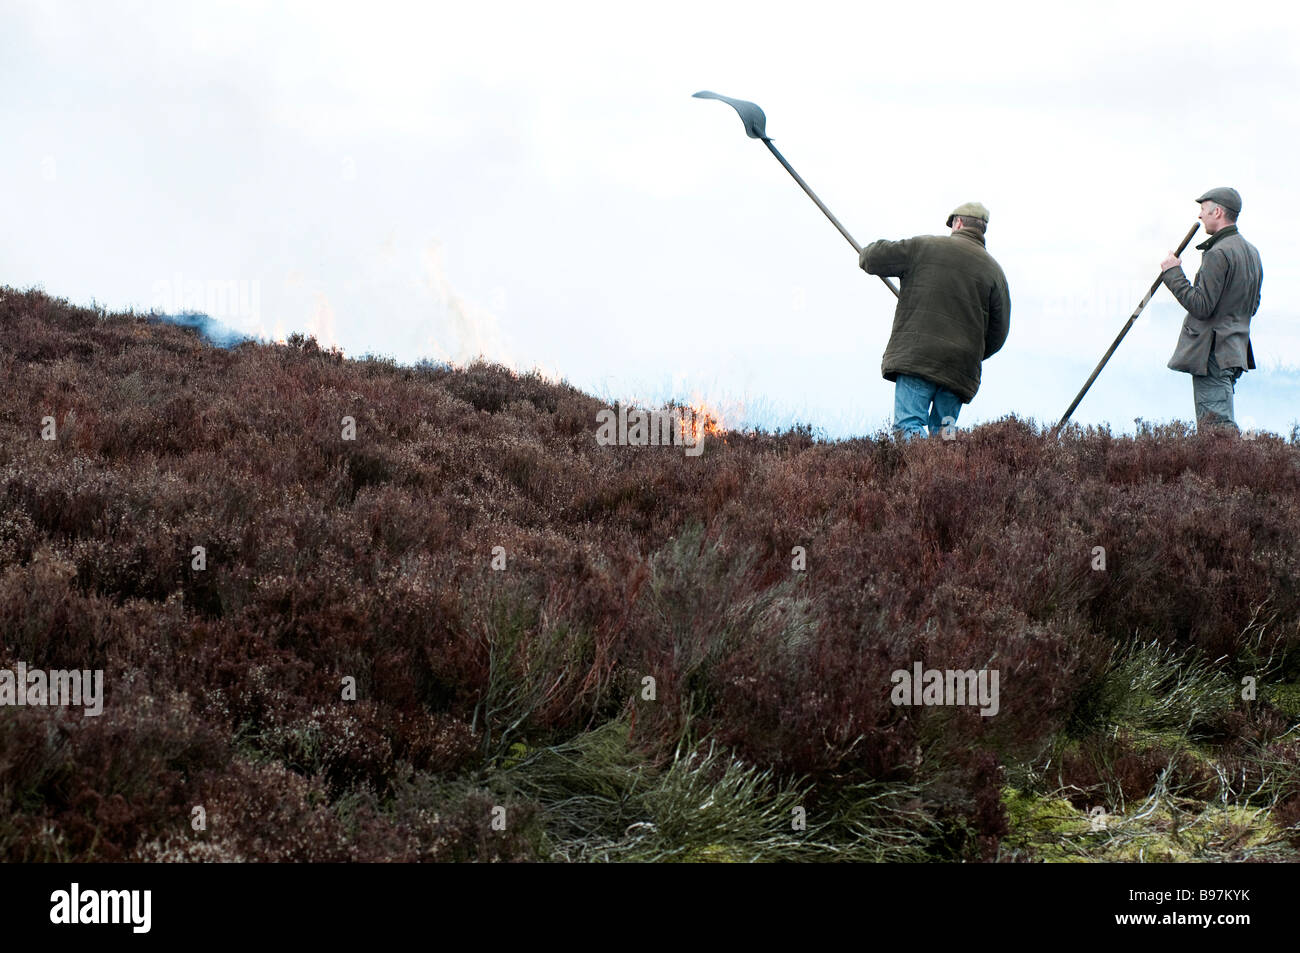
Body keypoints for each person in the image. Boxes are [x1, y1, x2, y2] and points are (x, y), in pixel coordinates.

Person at [859, 202, 1011, 439]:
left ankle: (920, 473)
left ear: (958, 223)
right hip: (959, 372)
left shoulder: (924, 247)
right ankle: (943, 473)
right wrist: (970, 351)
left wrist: (868, 251)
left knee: (908, 426)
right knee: (945, 435)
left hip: (918, 360)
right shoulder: (995, 273)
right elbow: (999, 334)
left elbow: (871, 258)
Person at [1159, 187, 1262, 433]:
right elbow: (1253, 305)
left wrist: (1173, 273)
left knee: (1216, 429)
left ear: (1217, 212)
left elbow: (1201, 306)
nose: (1200, 216)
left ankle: (1226, 471)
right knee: (1219, 423)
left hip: (1212, 352)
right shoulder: (1251, 253)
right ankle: (1232, 468)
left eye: (1203, 210)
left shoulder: (1218, 253)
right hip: (1234, 349)